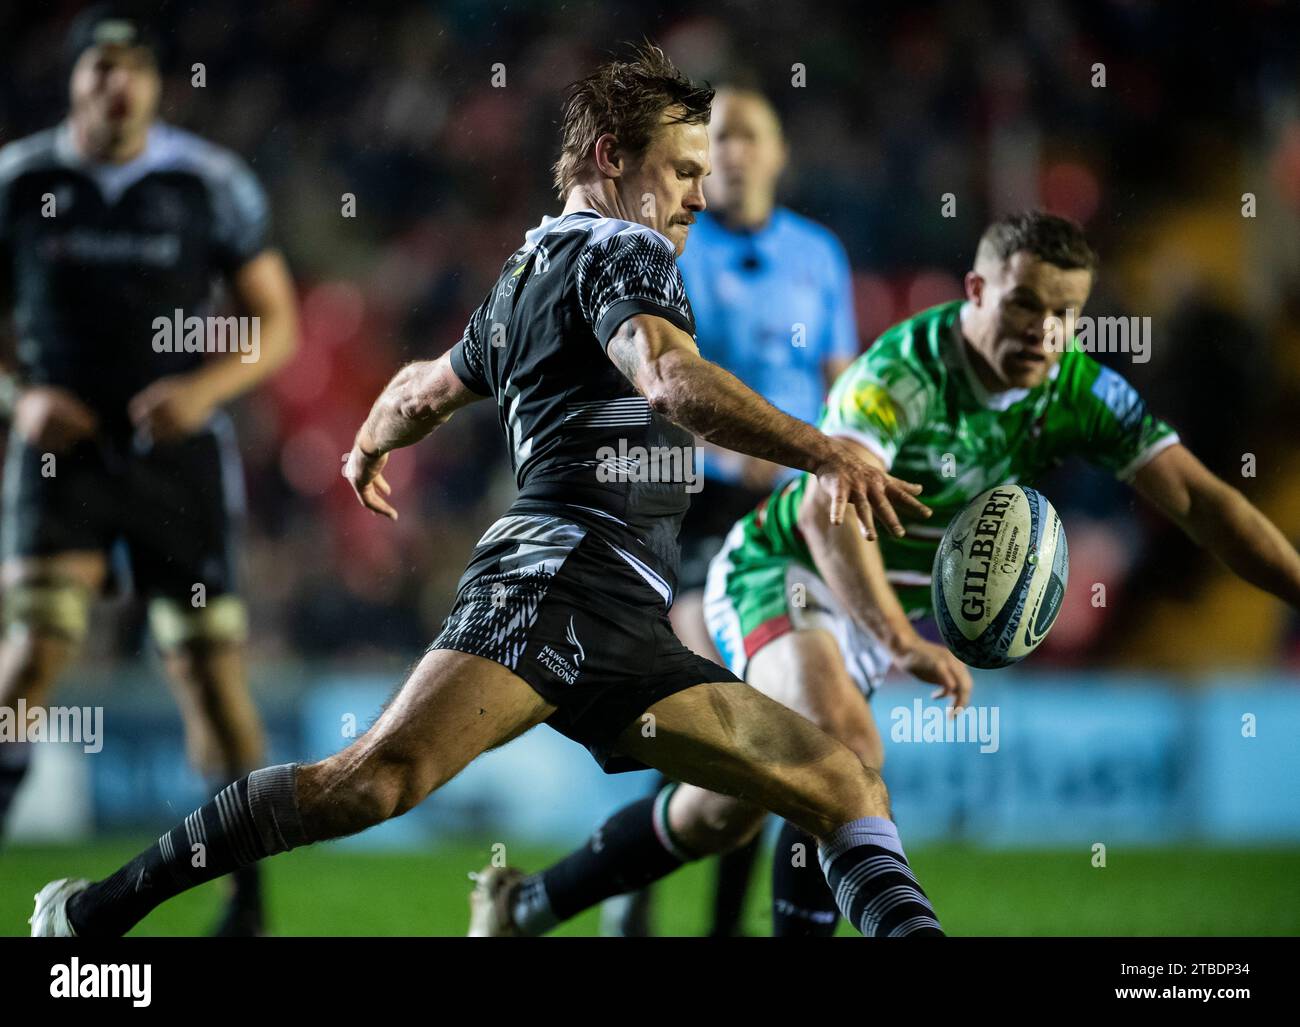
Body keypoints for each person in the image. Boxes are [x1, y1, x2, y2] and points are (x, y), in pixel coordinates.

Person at [29, 43, 943, 940]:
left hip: (626, 615)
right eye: (683, 171)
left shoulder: (524, 271)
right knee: (371, 781)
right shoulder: (626, 253)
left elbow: (425, 387)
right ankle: (91, 913)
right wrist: (824, 450)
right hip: (555, 581)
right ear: (609, 158)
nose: (700, 196)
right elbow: (669, 381)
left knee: (842, 781)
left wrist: (370, 440)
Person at [484, 210, 1300, 937]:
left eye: (1064, 314)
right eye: (1023, 304)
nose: (1043, 332)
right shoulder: (903, 374)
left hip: (874, 612)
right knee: (841, 752)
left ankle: (526, 905)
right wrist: (898, 640)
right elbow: (821, 513)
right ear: (977, 288)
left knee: (722, 811)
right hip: (787, 570)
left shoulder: (1079, 388)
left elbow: (1200, 498)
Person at [0, 6, 298, 935]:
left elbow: (276, 323)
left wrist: (207, 393)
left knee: (209, 678)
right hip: (62, 459)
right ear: (75, 79)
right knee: (30, 659)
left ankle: (246, 900)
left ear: (157, 85)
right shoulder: (20, 180)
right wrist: (18, 398)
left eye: (131, 67)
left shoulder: (208, 182)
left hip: (177, 463)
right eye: (98, 66)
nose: (113, 84)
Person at [607, 86, 861, 937]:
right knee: (720, 697)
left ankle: (678, 906)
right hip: (692, 494)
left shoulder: (820, 255)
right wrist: (730, 453)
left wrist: (844, 463)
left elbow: (841, 385)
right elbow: (652, 381)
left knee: (758, 715)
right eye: (720, 138)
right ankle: (633, 884)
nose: (735, 152)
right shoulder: (669, 249)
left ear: (780, 152)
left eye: (750, 134)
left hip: (795, 507)